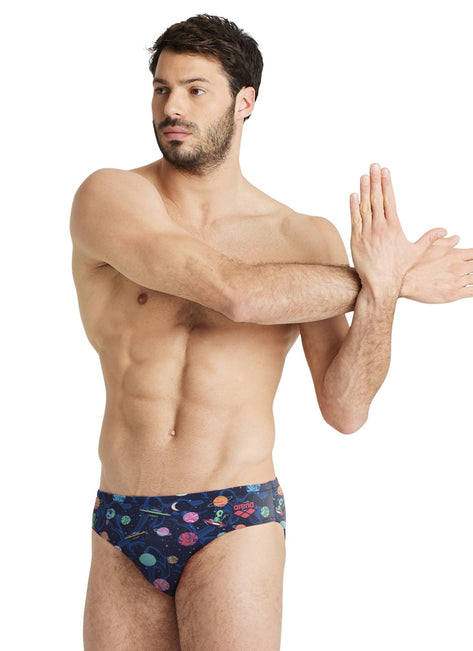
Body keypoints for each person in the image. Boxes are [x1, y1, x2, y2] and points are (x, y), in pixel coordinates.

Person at [70, 14, 473, 650]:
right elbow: (235, 292)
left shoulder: (301, 238)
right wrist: (388, 280)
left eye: (195, 90)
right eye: (161, 88)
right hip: (121, 515)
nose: (172, 107)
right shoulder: (109, 197)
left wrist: (383, 298)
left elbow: (346, 409)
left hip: (234, 516)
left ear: (245, 102)